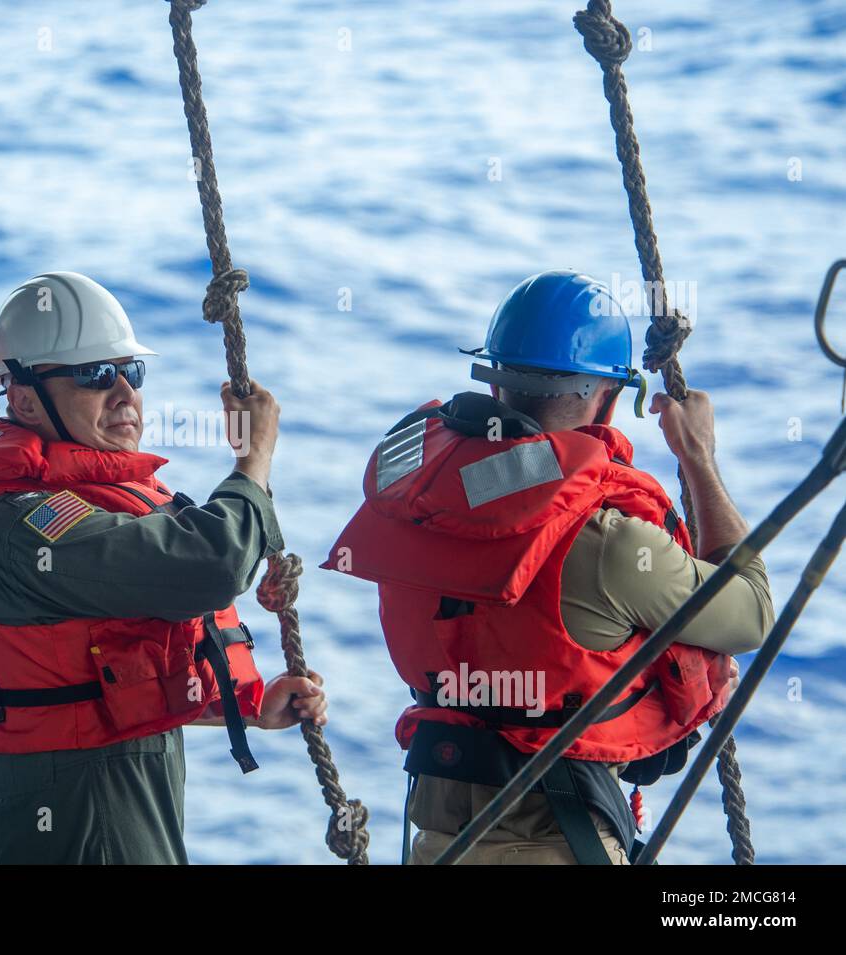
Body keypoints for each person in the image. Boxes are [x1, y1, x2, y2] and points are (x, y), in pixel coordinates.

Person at [324, 270, 774, 864]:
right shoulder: (614, 545)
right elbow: (752, 612)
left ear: (493, 385)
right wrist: (699, 458)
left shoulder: (418, 511)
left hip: (436, 842)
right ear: (608, 397)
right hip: (564, 844)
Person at [0, 270, 327, 864]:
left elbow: (94, 685)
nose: (124, 392)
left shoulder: (83, 505)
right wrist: (254, 459)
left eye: (133, 372)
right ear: (22, 399)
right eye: (96, 375)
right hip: (82, 824)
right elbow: (210, 564)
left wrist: (243, 706)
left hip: (102, 810)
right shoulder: (27, 527)